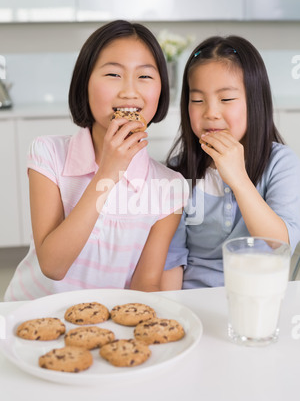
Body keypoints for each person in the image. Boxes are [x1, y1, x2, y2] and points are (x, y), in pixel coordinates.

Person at [5, 20, 187, 301]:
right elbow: (53, 266)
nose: (129, 91)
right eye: (113, 74)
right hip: (31, 315)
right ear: (84, 82)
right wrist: (109, 172)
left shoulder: (170, 187)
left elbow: (145, 284)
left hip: (106, 326)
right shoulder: (48, 154)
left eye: (145, 77)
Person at [161, 35, 300, 290]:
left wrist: (238, 179)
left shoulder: (281, 162)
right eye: (197, 100)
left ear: (254, 102)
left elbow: (282, 244)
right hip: (195, 301)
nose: (211, 112)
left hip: (259, 299)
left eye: (226, 99)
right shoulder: (178, 171)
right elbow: (172, 259)